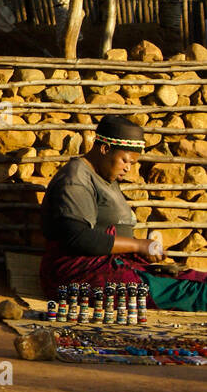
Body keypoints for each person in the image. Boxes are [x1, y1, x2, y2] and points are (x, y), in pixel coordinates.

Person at [40, 114, 207, 311]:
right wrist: (138, 245)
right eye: (125, 160)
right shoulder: (76, 180)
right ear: (105, 149)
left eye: (133, 164)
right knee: (192, 292)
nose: (128, 168)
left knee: (196, 279)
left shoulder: (104, 177)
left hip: (111, 264)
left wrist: (142, 250)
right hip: (81, 272)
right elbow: (78, 238)